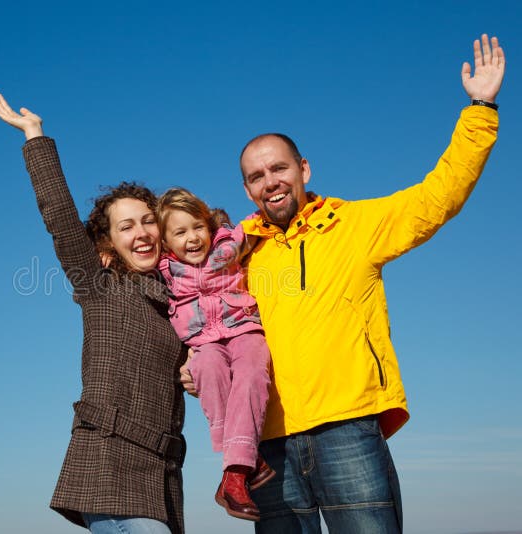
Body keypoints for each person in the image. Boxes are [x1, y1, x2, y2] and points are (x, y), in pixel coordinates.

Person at [181, 34, 505, 533]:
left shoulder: (353, 224)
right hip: (269, 446)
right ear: (246, 188)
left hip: (348, 430)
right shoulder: (237, 251)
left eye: (279, 168)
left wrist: (480, 109)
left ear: (303, 169)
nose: (270, 181)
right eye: (256, 175)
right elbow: (197, 307)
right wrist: (196, 367)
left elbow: (437, 197)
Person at [0, 94, 187, 534]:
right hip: (108, 467)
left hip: (163, 480)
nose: (141, 233)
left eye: (147, 221)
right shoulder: (99, 286)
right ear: (108, 245)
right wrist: (35, 137)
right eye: (126, 226)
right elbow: (60, 218)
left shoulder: (177, 304)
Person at [156, 188, 274, 521]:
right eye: (180, 232)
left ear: (210, 227)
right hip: (203, 342)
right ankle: (247, 460)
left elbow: (255, 224)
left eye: (197, 227)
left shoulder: (226, 249)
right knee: (206, 368)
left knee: (252, 372)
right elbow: (126, 262)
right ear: (165, 240)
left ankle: (234, 474)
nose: (192, 238)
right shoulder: (164, 269)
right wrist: (107, 252)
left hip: (243, 329)